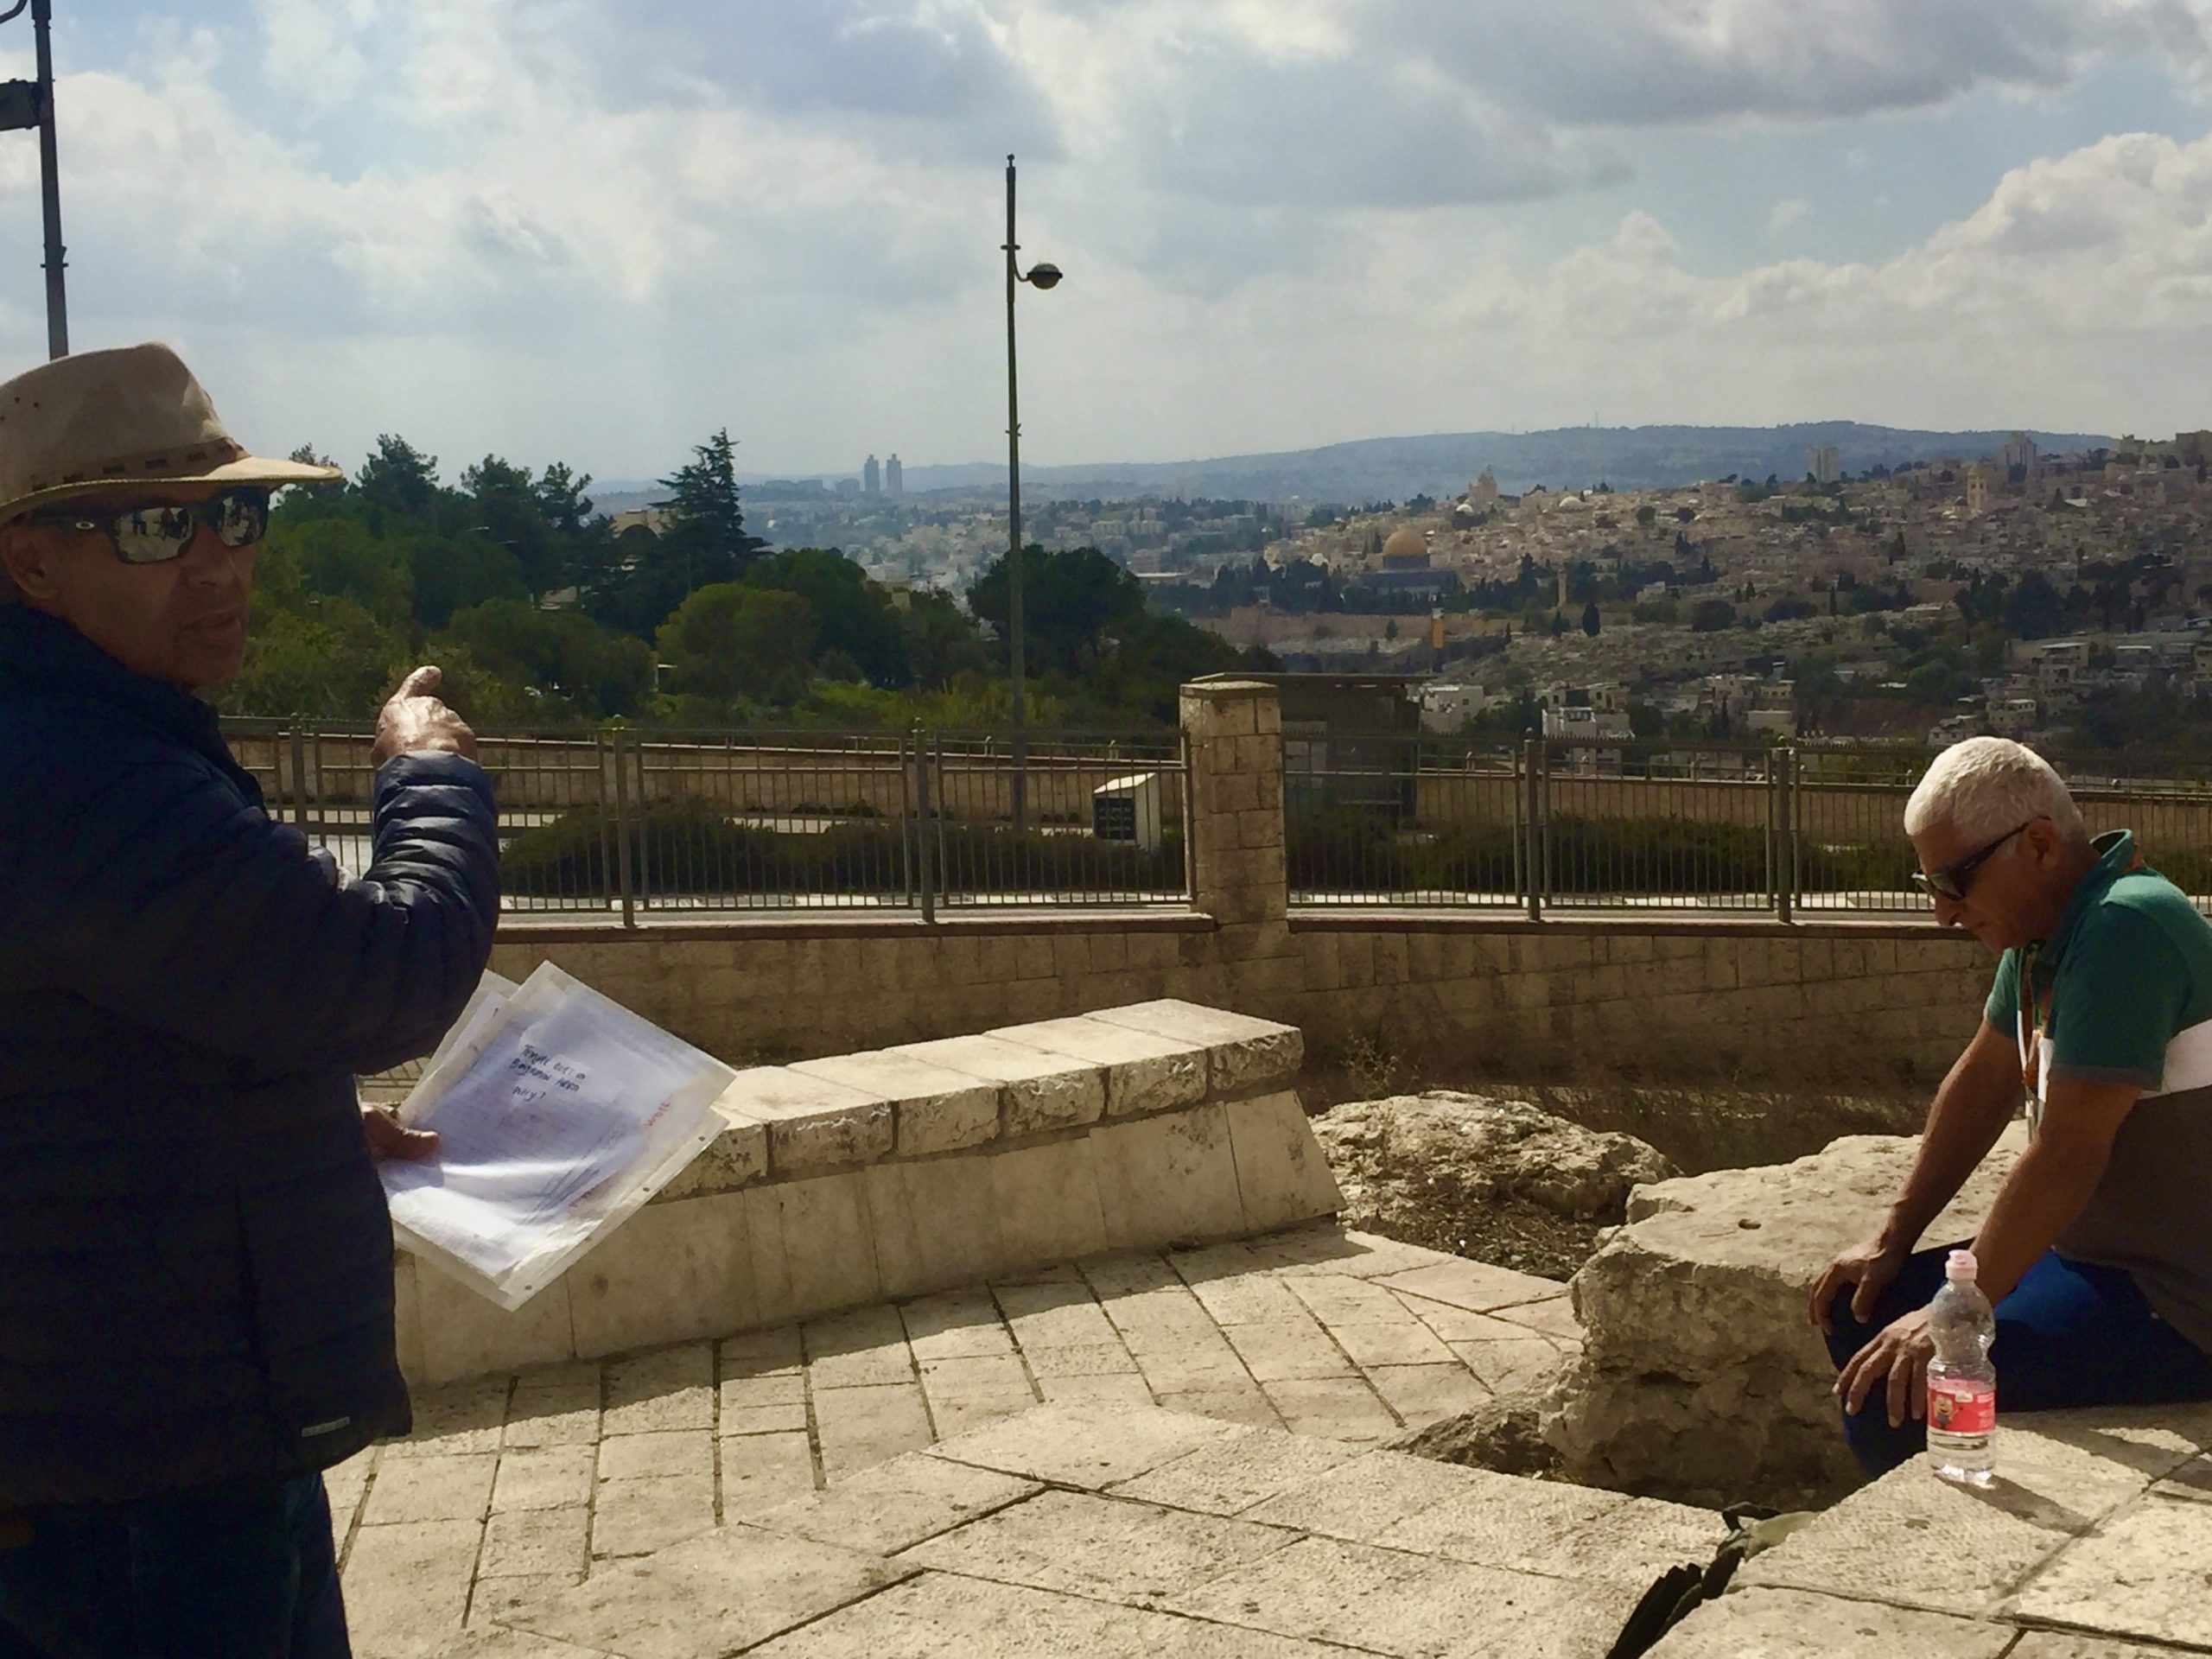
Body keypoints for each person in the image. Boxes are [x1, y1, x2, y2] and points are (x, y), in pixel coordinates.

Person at [0, 344, 501, 1656]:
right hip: (132, 1477)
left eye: (238, 513)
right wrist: (430, 779)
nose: (217, 559)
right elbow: (383, 975)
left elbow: (76, 1057)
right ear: (30, 561)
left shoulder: (79, 727)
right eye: (157, 525)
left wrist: (274, 1128)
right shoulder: (73, 774)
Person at [1809, 736, 2212, 1478]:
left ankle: (1940, 1560)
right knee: (1863, 1303)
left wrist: (1953, 1319)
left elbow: (2067, 1152)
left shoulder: (2127, 928)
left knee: (1905, 1389)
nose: (1942, 914)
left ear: (2037, 845)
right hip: (2096, 1260)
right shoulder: (2045, 934)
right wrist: (1894, 1237)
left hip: (2179, 1299)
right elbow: (1986, 1078)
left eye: (1956, 883)